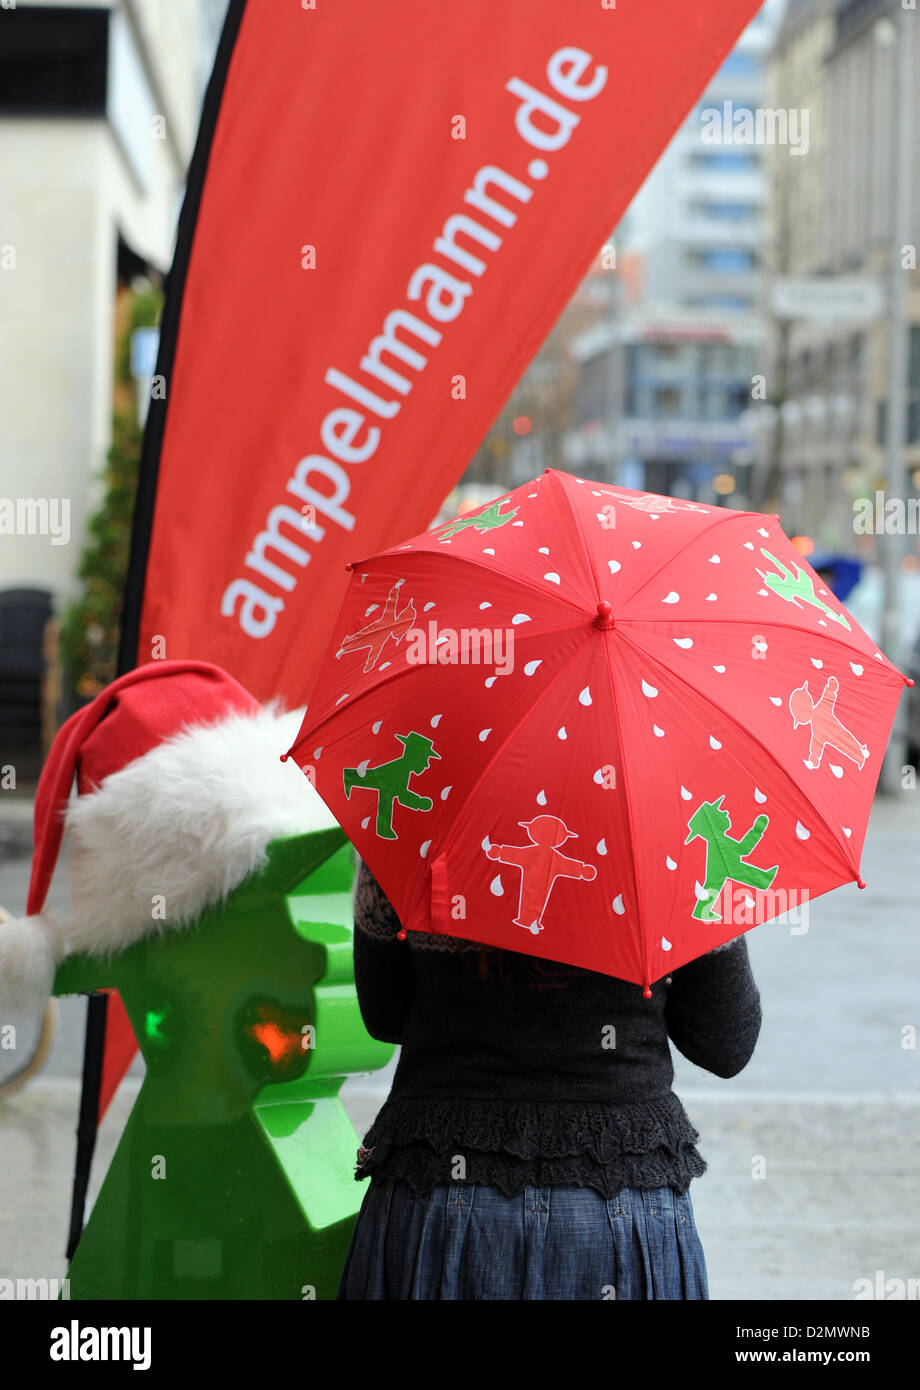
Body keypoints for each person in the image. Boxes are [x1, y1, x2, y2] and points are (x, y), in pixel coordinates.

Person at [337, 856, 762, 1301]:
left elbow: (385, 1016)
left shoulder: (416, 815)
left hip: (439, 1192)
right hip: (623, 1199)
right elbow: (724, 1045)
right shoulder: (672, 839)